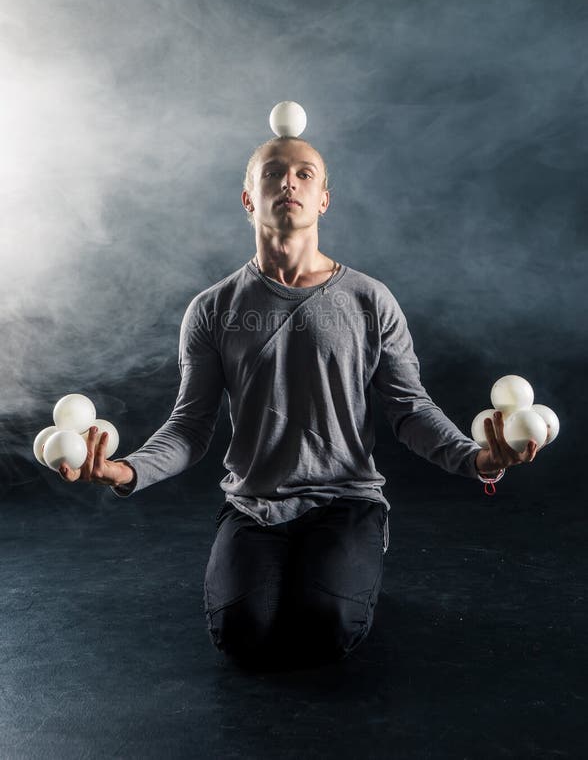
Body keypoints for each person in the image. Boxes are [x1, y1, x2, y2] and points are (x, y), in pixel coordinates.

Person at [58, 135, 546, 672]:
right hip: (254, 502)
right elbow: (189, 427)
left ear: (323, 200)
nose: (288, 181)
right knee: (241, 635)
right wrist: (126, 471)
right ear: (249, 198)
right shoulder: (212, 309)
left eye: (304, 174)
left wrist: (478, 459)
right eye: (272, 172)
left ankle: (350, 562)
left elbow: (410, 410)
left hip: (347, 498)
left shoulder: (370, 300)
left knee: (325, 629)